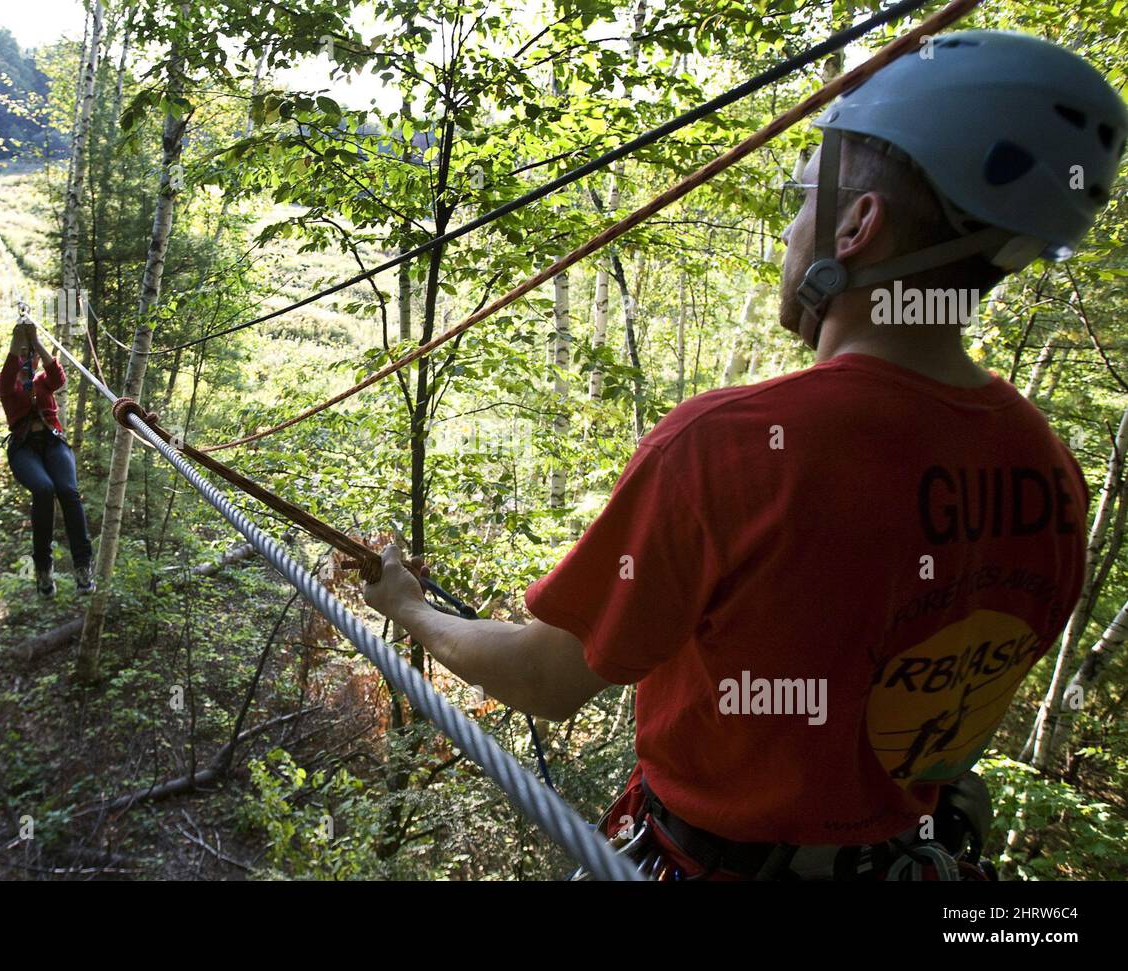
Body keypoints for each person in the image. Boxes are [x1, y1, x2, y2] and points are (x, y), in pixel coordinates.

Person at [363, 31, 1126, 879]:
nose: (791, 231)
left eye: (804, 201)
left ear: (857, 225)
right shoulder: (1054, 473)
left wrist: (408, 608)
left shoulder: (729, 450)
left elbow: (547, 678)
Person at [0, 319, 95, 598]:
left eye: (32, 356)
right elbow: (6, 382)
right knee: (43, 489)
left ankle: (83, 567)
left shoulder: (43, 382)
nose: (28, 359)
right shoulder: (6, 384)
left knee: (68, 491)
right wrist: (18, 341)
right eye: (23, 355)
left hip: (53, 443)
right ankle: (43, 571)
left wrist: (36, 341)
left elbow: (58, 377)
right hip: (23, 448)